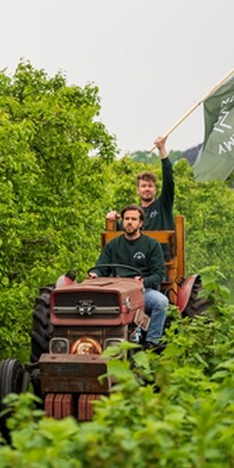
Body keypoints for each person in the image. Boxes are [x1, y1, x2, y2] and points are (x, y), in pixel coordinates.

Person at [89, 205, 169, 350]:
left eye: (133, 219)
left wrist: (144, 281)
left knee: (161, 302)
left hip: (142, 291)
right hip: (116, 291)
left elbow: (158, 274)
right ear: (123, 222)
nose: (129, 222)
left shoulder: (151, 245)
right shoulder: (113, 245)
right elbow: (101, 267)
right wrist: (95, 274)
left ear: (141, 223)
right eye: (126, 219)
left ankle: (152, 341)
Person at [106, 135, 175, 232]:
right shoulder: (133, 214)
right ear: (137, 190)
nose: (147, 189)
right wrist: (112, 220)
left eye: (150, 186)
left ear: (155, 190)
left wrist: (162, 149)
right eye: (143, 186)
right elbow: (121, 231)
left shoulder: (163, 205)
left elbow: (169, 181)